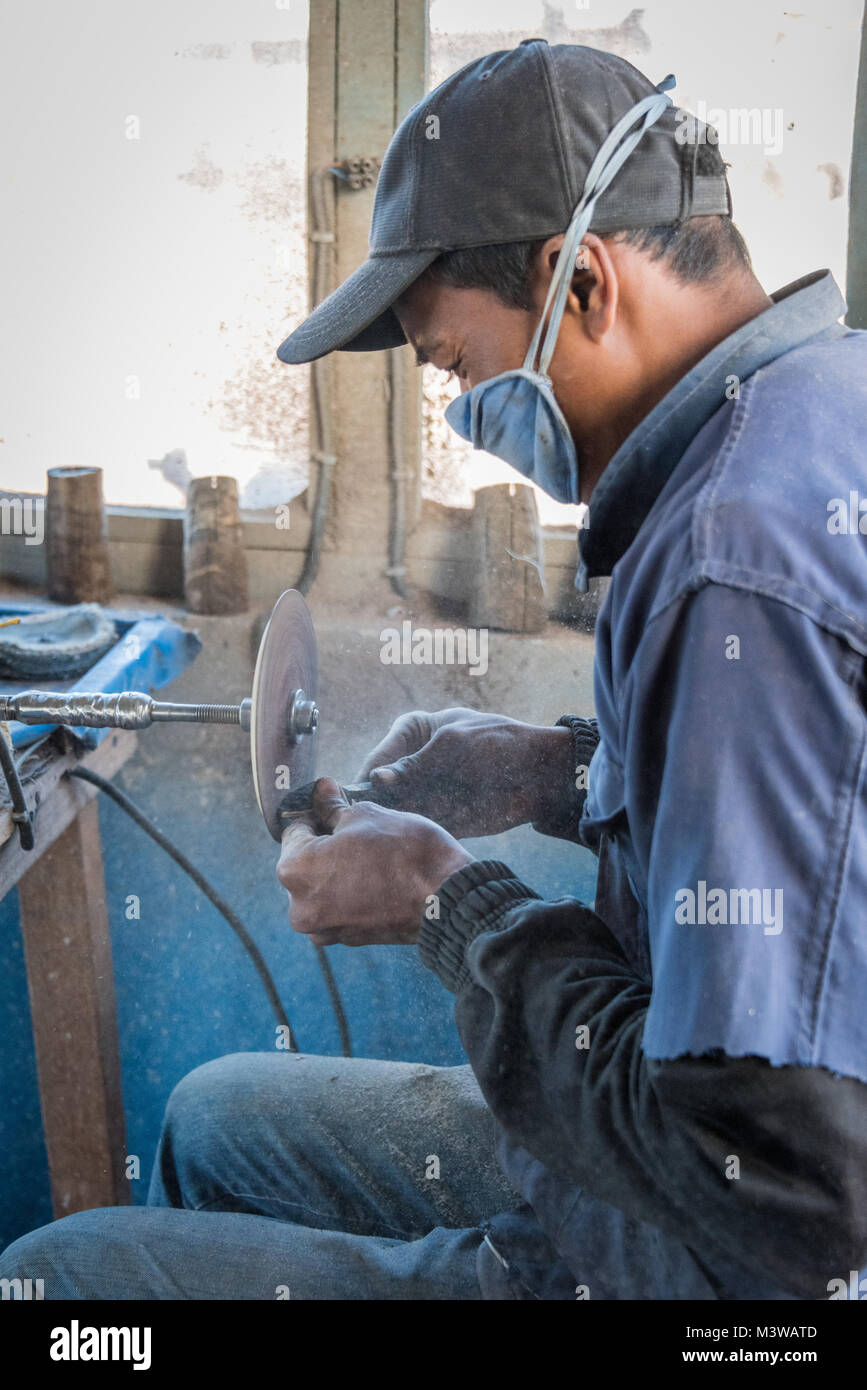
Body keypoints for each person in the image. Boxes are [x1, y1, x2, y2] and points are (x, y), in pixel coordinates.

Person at [2, 38, 865, 1301]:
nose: (471, 422)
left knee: (58, 1284)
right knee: (209, 1111)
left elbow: (780, 1183)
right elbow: (808, 837)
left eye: (459, 367)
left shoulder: (728, 562)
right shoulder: (815, 411)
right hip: (655, 1168)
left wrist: (446, 906)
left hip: (700, 1265)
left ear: (583, 285)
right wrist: (550, 769)